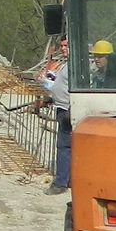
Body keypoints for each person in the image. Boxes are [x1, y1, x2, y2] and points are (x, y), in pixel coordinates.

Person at [41, 42, 71, 194]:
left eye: (66, 45)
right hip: (61, 107)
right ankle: (68, 179)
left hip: (68, 110)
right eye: (62, 46)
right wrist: (51, 98)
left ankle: (61, 183)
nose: (63, 48)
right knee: (69, 147)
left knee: (64, 147)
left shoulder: (75, 67)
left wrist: (71, 109)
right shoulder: (66, 64)